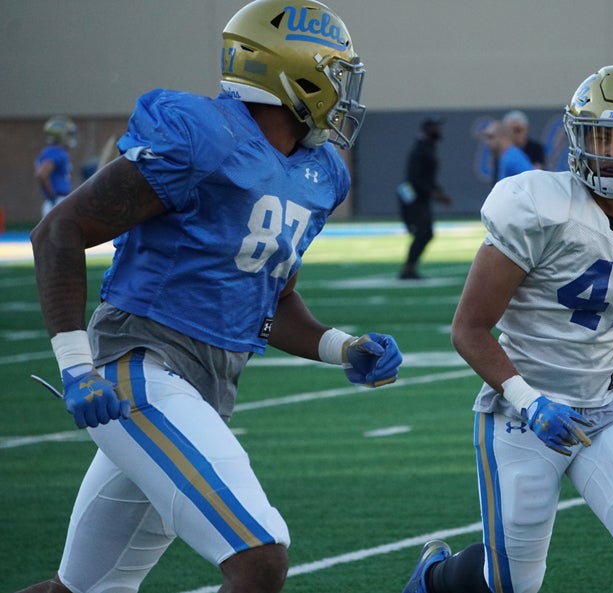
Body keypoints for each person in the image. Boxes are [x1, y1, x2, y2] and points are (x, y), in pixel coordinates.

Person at [21, 2, 403, 593]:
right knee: (260, 556)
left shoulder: (320, 172)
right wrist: (76, 367)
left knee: (80, 591)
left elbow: (268, 303)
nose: (343, 89)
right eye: (334, 72)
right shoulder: (204, 135)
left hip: (207, 386)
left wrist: (341, 348)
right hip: (140, 367)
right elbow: (59, 231)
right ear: (294, 73)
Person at [401, 65, 613, 593]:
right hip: (525, 413)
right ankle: (435, 579)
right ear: (577, 138)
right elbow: (469, 328)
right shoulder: (537, 206)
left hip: (612, 408)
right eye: (601, 136)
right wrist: (529, 401)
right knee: (512, 585)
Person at [398, 117, 453, 279]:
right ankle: (408, 269)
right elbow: (414, 178)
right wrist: (434, 193)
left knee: (425, 232)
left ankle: (410, 267)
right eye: (436, 128)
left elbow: (426, 178)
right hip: (415, 197)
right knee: (423, 232)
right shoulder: (421, 149)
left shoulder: (427, 147)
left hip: (420, 196)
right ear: (429, 129)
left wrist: (437, 192)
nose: (440, 132)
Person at [34, 115, 77, 218]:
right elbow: (41, 174)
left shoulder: (52, 151)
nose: (71, 138)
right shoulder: (56, 152)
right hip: (57, 200)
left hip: (57, 201)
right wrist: (52, 197)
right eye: (68, 134)